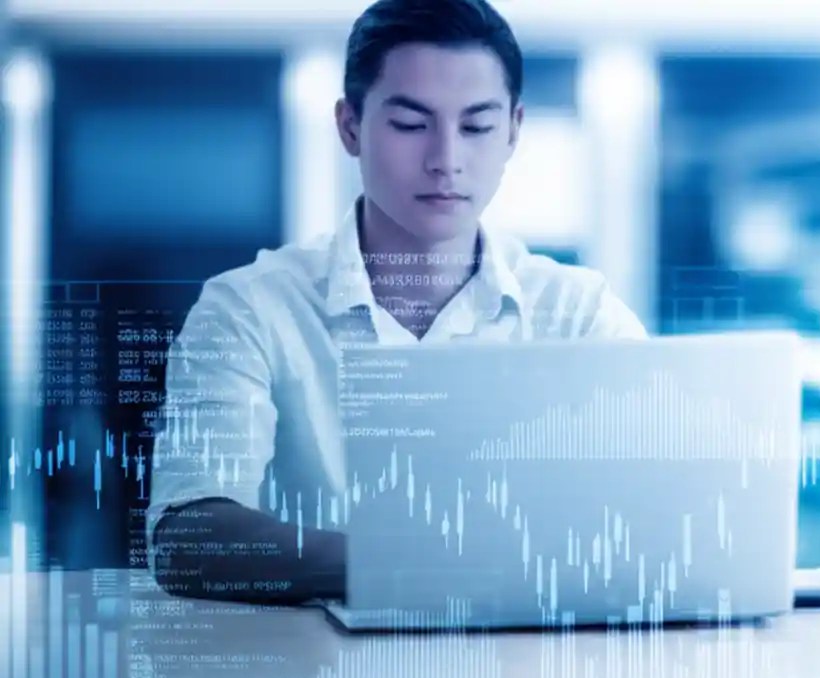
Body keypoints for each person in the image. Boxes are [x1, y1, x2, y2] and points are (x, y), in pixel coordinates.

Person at [148, 0, 646, 605]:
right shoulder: (249, 310)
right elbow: (187, 537)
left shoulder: (579, 315)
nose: (446, 159)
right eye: (411, 125)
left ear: (514, 129)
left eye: (477, 127)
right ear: (350, 126)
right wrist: (414, 564)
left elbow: (658, 506)